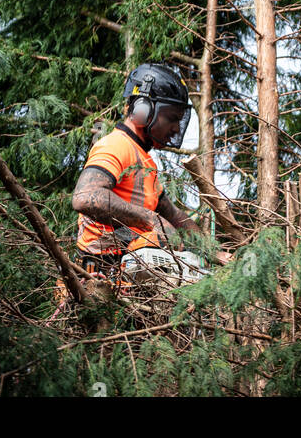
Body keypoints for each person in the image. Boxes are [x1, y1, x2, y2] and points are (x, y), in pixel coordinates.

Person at [71, 62, 229, 278]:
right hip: (102, 272)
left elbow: (174, 216)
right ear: (143, 109)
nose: (175, 128)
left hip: (131, 272)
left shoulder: (145, 161)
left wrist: (214, 252)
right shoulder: (116, 145)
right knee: (159, 238)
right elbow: (85, 197)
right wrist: (151, 220)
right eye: (172, 118)